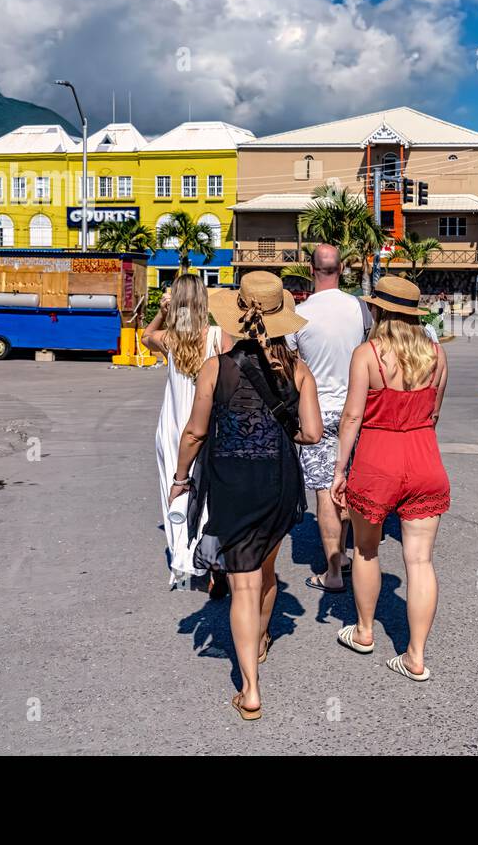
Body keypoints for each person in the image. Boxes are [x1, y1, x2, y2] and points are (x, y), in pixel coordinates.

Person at [170, 272, 323, 721]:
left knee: (243, 582)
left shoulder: (216, 367)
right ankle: (259, 641)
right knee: (267, 569)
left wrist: (181, 477)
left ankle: (250, 689)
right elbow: (312, 433)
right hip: (278, 482)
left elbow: (196, 432)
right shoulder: (298, 369)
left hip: (232, 482)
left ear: (238, 315)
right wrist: (282, 427)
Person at [330, 275, 449, 682]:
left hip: (377, 459)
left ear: (378, 310)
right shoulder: (436, 354)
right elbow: (434, 414)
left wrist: (339, 471)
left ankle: (364, 631)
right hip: (424, 457)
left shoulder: (367, 354)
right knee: (420, 560)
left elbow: (351, 417)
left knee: (365, 549)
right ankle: (415, 655)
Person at [141, 273, 233, 589]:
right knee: (212, 495)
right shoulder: (219, 337)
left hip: (173, 426)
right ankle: (214, 560)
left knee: (177, 494)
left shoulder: (169, 338)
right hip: (210, 423)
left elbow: (144, 336)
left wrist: (163, 313)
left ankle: (183, 559)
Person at [287, 244, 370, 594]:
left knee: (325, 489)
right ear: (341, 269)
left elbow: (292, 366)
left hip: (315, 413)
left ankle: (334, 570)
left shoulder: (299, 314)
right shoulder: (359, 309)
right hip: (356, 410)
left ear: (311, 268)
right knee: (349, 482)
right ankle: (353, 554)